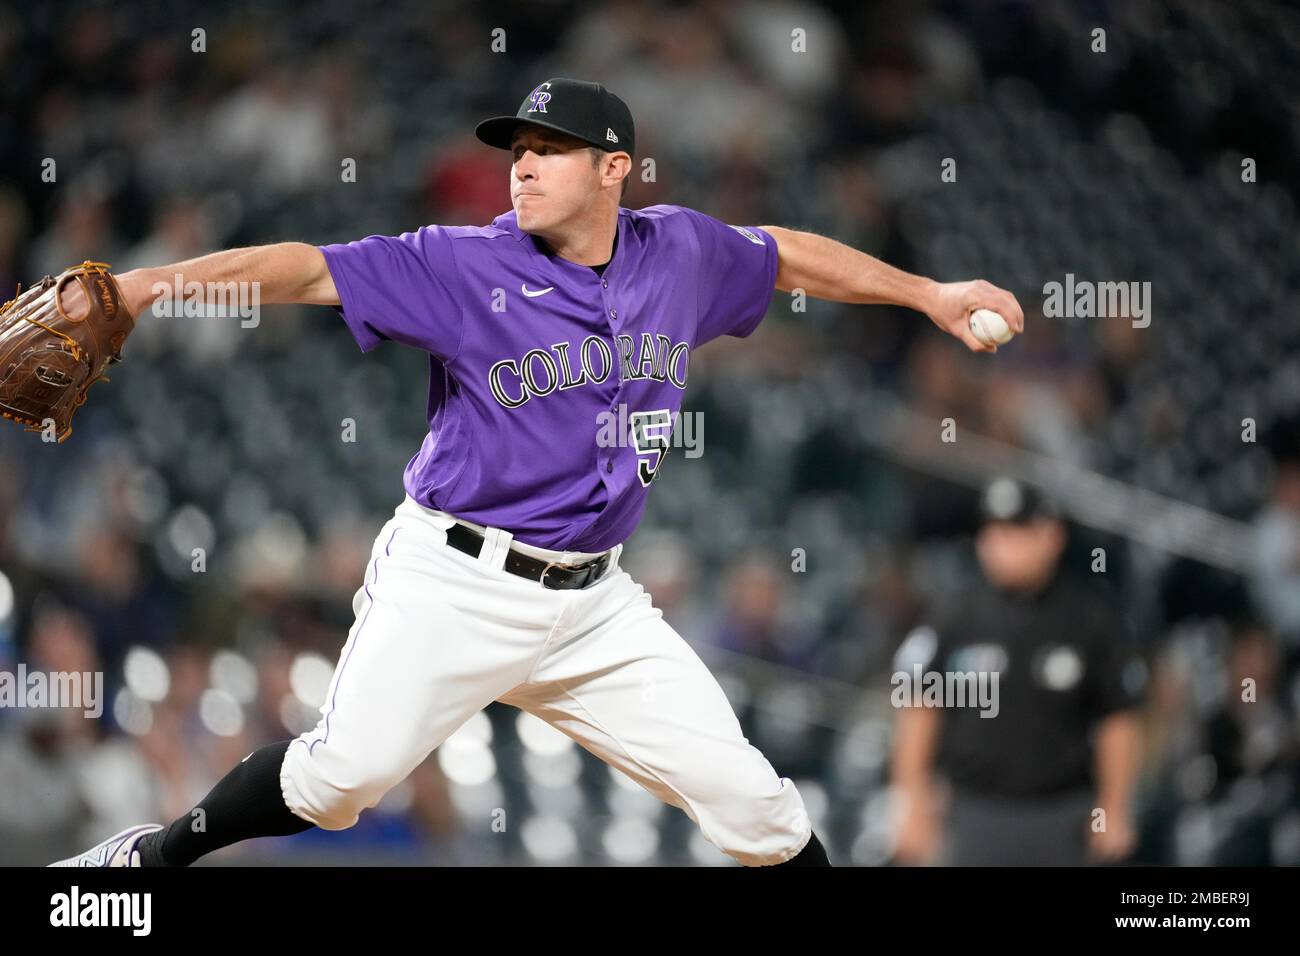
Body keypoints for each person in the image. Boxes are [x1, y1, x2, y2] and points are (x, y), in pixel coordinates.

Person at [51, 77, 1023, 868]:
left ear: (613, 169)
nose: (521, 165)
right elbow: (303, 268)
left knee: (759, 805)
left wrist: (927, 292)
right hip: (454, 578)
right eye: (516, 149)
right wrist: (144, 285)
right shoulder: (458, 264)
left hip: (595, 605)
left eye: (548, 149)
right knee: (337, 781)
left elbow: (790, 259)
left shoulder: (678, 249)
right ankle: (149, 861)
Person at [891, 477, 1143, 866]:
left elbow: (1117, 718)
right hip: (973, 811)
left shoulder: (1089, 619)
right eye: (992, 533)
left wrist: (1114, 806)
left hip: (1061, 813)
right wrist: (912, 803)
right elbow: (920, 708)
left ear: (1051, 537)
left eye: (1015, 533)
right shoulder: (955, 617)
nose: (1000, 547)